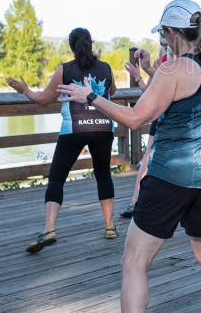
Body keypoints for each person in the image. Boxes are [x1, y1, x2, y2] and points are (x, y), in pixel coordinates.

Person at [57, 0, 201, 313]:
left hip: (170, 179)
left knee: (134, 263)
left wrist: (91, 96)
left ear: (172, 32)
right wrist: (150, 71)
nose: (162, 40)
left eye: (163, 34)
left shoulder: (172, 69)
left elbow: (136, 118)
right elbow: (178, 95)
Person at [7, 27, 118, 253]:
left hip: (74, 128)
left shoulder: (64, 70)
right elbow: (112, 92)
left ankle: (49, 229)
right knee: (103, 173)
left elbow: (43, 99)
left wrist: (25, 90)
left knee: (57, 177)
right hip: (103, 126)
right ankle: (109, 226)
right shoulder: (106, 67)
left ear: (71, 46)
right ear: (91, 43)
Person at [120, 41, 169, 219]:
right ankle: (135, 201)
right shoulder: (162, 59)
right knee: (147, 159)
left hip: (173, 116)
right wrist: (138, 76)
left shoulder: (179, 61)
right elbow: (150, 91)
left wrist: (143, 73)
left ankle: (139, 202)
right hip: (161, 116)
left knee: (153, 159)